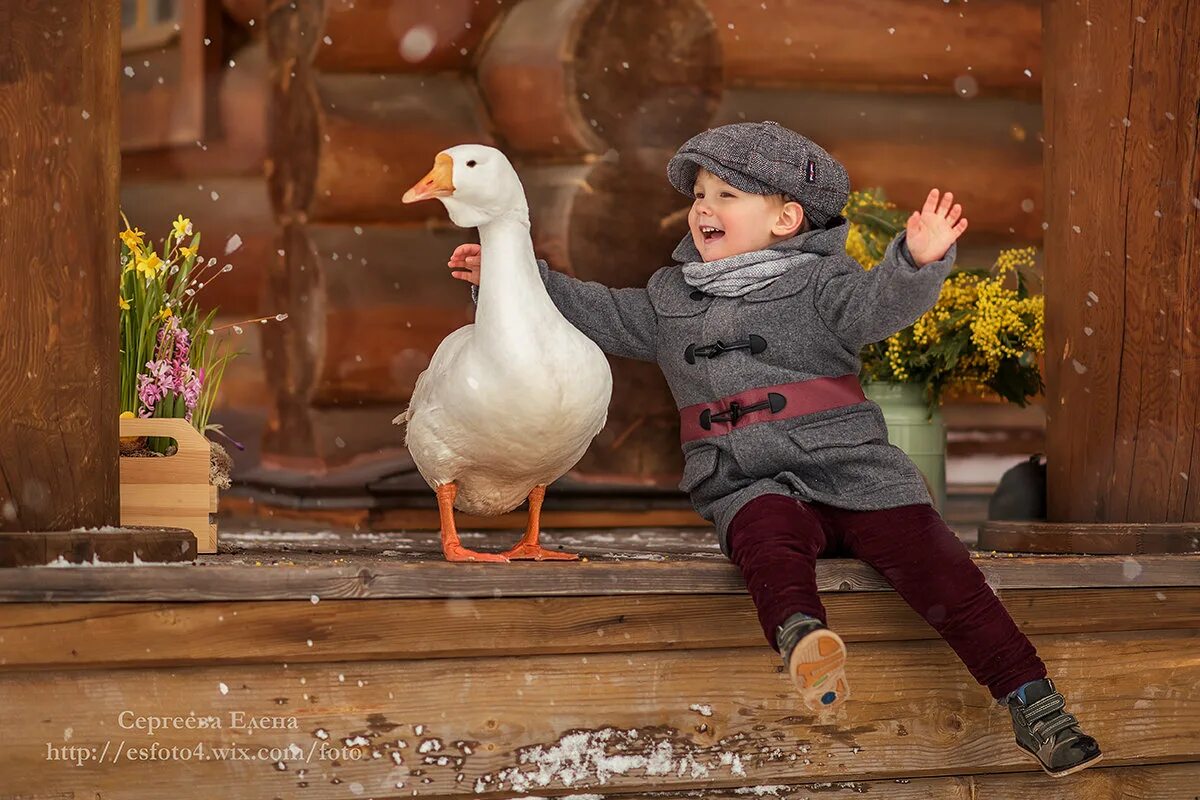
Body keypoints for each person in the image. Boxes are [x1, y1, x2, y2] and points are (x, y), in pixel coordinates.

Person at [445, 121, 1102, 778]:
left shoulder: (822, 284)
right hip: (746, 478)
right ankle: (802, 636)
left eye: (726, 194)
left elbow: (879, 306)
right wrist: (511, 276)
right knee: (764, 537)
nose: (703, 207)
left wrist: (915, 262)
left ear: (787, 217)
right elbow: (598, 310)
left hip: (856, 475)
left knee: (946, 576)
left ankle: (1033, 702)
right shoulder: (672, 299)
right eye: (699, 194)